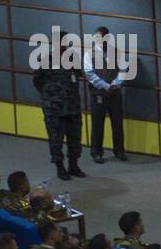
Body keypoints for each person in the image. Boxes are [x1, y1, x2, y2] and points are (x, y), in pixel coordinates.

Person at [33, 29, 85, 180]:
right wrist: (50, 95)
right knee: (56, 140)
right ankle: (60, 167)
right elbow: (37, 81)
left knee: (75, 137)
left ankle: (74, 165)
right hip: (54, 108)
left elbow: (78, 74)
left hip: (72, 106)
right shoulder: (45, 59)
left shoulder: (72, 58)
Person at [83, 26, 130, 163]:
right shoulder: (89, 53)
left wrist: (115, 85)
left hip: (115, 93)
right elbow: (89, 73)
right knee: (97, 124)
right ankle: (96, 152)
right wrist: (106, 86)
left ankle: (119, 150)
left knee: (117, 124)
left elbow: (123, 70)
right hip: (98, 93)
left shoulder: (116, 52)